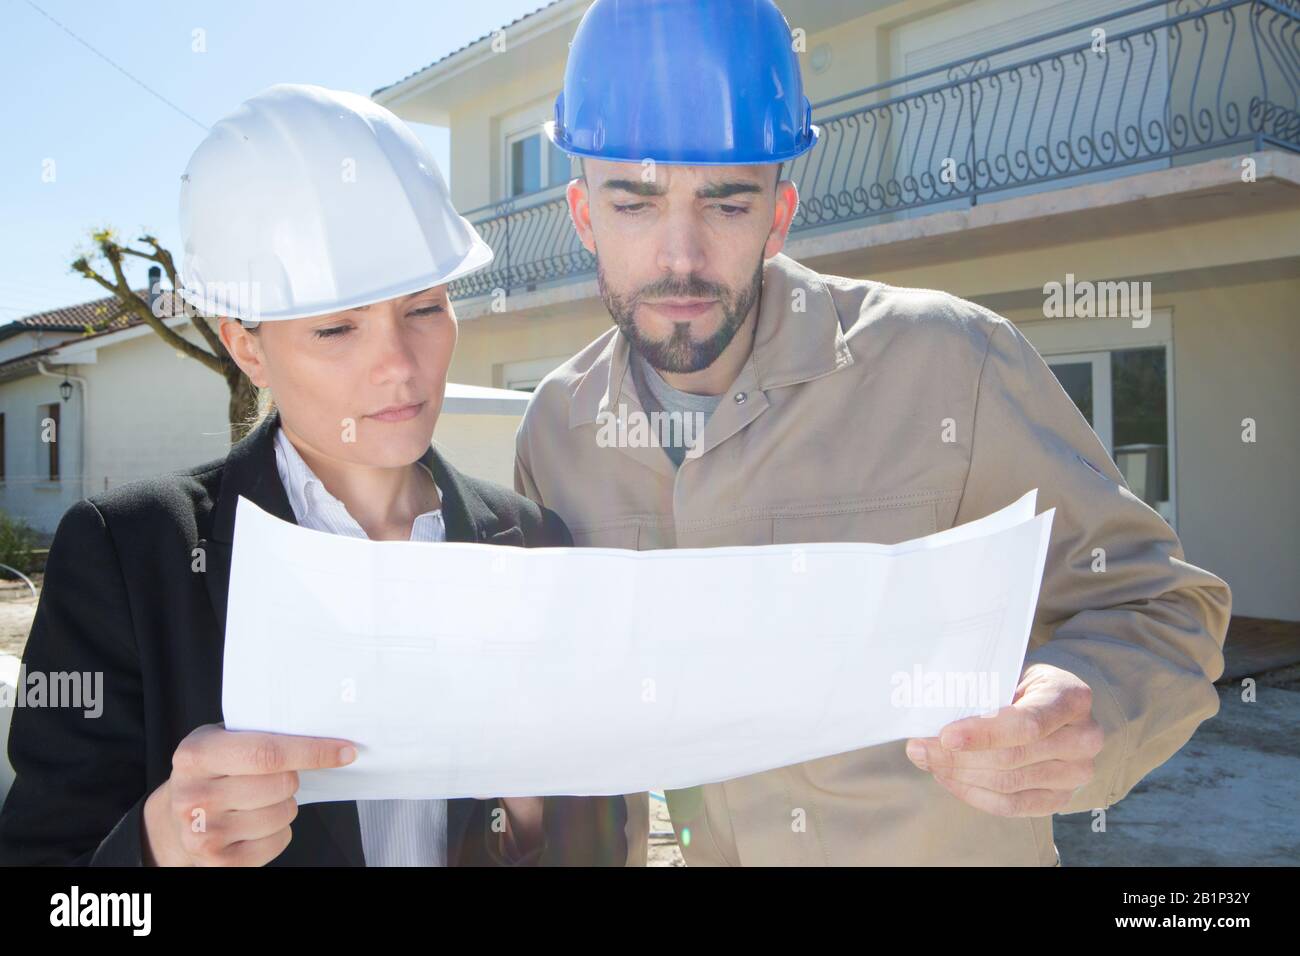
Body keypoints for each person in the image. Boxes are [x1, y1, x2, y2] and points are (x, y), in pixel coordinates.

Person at [514, 0, 1231, 865]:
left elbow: (1162, 605)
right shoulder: (557, 432)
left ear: (779, 216)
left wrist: (1091, 704)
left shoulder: (950, 361)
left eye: (726, 204)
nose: (680, 256)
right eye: (634, 203)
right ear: (584, 216)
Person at [0, 84, 626, 866]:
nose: (399, 366)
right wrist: (157, 846)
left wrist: (537, 813)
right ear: (248, 347)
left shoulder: (533, 543)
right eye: (337, 328)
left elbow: (603, 842)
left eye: (425, 308)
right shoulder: (129, 559)